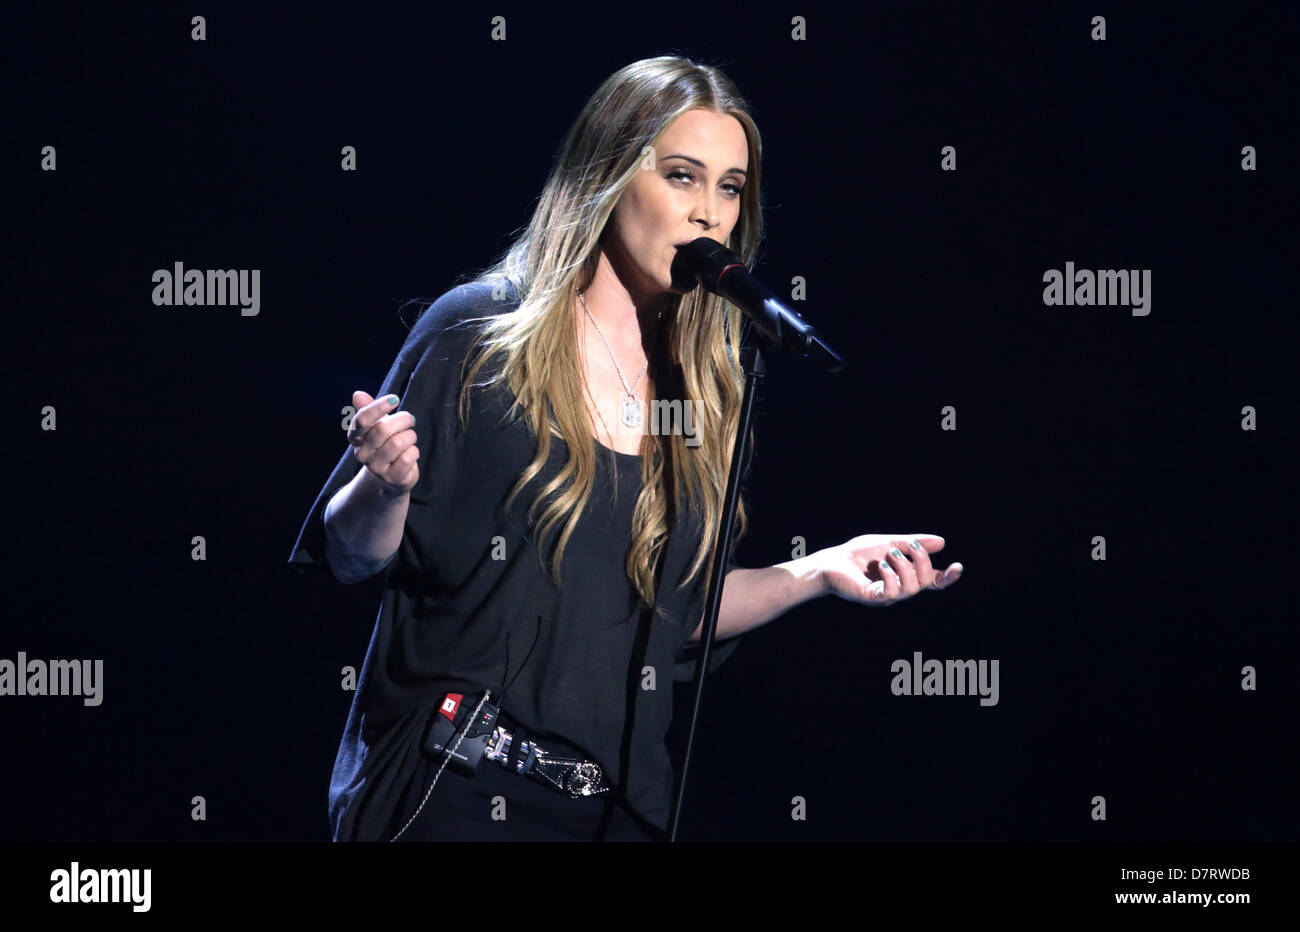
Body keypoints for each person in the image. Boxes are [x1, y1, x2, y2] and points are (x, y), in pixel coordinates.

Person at [288, 55, 964, 843]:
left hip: (616, 815)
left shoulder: (697, 393)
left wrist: (816, 572)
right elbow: (352, 554)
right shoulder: (481, 336)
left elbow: (670, 616)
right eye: (682, 175)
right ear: (609, 176)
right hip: (456, 790)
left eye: (730, 187)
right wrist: (388, 486)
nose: (710, 212)